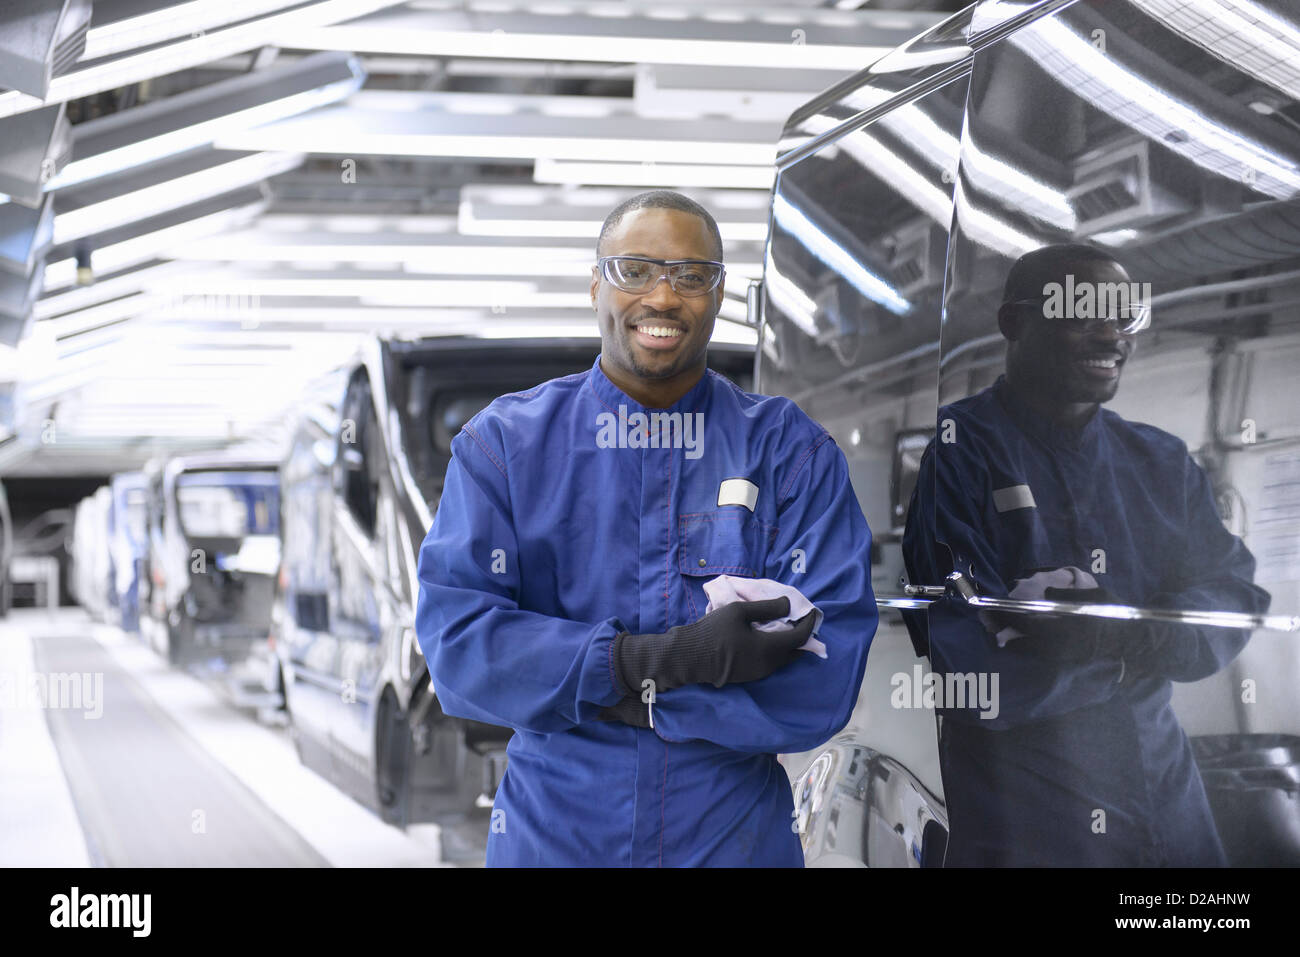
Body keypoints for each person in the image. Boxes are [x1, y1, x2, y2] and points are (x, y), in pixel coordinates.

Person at [415, 189, 877, 866]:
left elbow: (825, 680)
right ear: (595, 285)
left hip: (730, 841)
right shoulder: (505, 448)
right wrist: (652, 663)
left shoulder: (789, 453)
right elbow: (459, 650)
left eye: (692, 276)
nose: (663, 297)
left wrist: (609, 695)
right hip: (554, 839)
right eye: (635, 270)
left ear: (719, 297)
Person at [902, 244, 1271, 866]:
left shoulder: (1159, 462)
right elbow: (969, 667)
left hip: (1165, 793)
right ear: (1014, 323)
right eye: (1083, 314)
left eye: (1123, 316)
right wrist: (1142, 646)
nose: (1112, 336)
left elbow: (1232, 599)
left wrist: (1113, 635)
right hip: (1030, 807)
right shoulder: (961, 453)